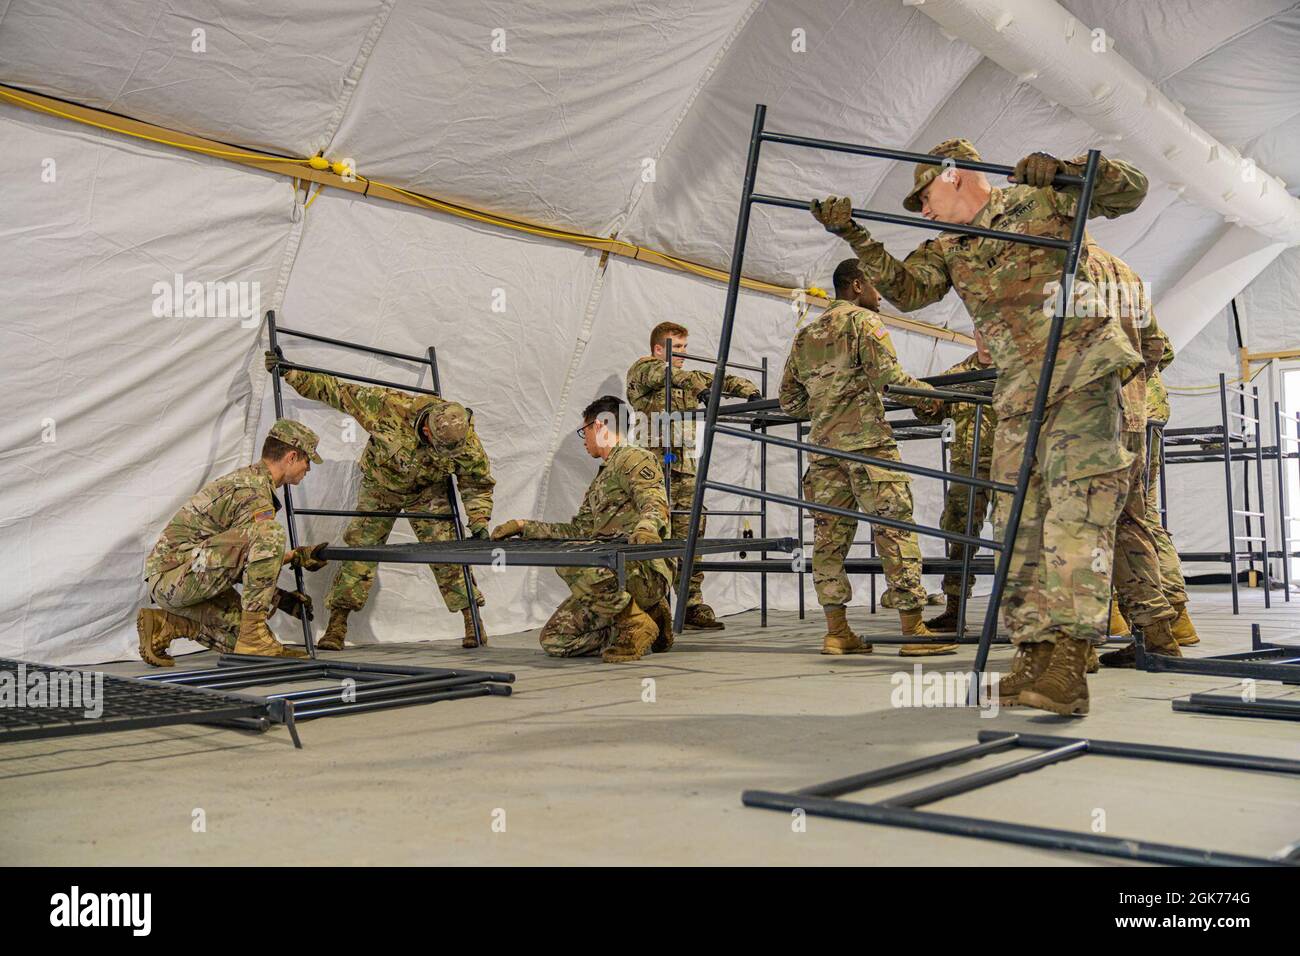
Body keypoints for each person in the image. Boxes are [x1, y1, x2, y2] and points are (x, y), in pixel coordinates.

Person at [814, 138, 1148, 715]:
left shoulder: (1039, 199)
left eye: (924, 195)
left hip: (1080, 375)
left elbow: (1131, 190)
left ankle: (1069, 664)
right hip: (1017, 395)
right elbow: (908, 291)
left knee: (1075, 517)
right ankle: (1033, 656)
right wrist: (853, 234)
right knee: (1017, 526)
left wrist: (1068, 171)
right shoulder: (948, 246)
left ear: (954, 175)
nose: (921, 209)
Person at [779, 259, 955, 657]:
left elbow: (789, 401)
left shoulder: (806, 335)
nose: (882, 294)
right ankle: (912, 631)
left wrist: (827, 408)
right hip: (869, 448)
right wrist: (933, 399)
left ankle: (837, 632)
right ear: (857, 286)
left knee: (828, 541)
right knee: (895, 532)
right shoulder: (863, 322)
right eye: (876, 286)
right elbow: (890, 380)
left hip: (824, 452)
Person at [270, 352, 494, 649]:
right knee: (361, 551)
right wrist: (291, 373)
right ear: (428, 429)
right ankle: (337, 625)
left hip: (427, 490)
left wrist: (479, 520)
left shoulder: (463, 438)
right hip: (381, 486)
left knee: (447, 551)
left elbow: (476, 481)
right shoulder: (389, 407)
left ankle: (472, 620)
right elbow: (337, 391)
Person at [491, 396, 672, 663]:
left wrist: (646, 529)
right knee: (556, 639)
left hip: (641, 570)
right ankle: (648, 617)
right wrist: (524, 526)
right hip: (614, 573)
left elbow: (654, 501)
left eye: (584, 430)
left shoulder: (634, 458)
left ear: (599, 426)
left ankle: (633, 623)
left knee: (571, 557)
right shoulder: (603, 477)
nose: (584, 439)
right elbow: (578, 530)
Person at [138, 419, 329, 664]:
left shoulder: (253, 483)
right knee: (270, 532)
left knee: (244, 646)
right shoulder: (251, 491)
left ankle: (168, 624)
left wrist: (282, 591)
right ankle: (254, 637)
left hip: (186, 576)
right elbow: (253, 551)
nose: (308, 469)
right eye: (307, 461)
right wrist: (280, 590)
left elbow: (238, 559)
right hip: (174, 577)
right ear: (291, 457)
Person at [626, 321, 761, 631]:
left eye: (686, 347)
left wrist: (750, 392)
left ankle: (690, 605)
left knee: (691, 535)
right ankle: (647, 606)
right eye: (677, 347)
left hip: (685, 472)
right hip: (654, 473)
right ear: (658, 348)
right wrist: (700, 389)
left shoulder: (688, 378)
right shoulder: (643, 371)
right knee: (651, 536)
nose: (683, 353)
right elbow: (674, 376)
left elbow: (721, 379)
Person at [924, 339, 997, 632]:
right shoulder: (957, 374)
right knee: (959, 533)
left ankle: (1024, 613)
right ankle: (955, 610)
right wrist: (920, 396)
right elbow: (929, 411)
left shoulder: (1020, 368)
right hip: (968, 466)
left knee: (1017, 535)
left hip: (1012, 464)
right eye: (981, 332)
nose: (987, 339)